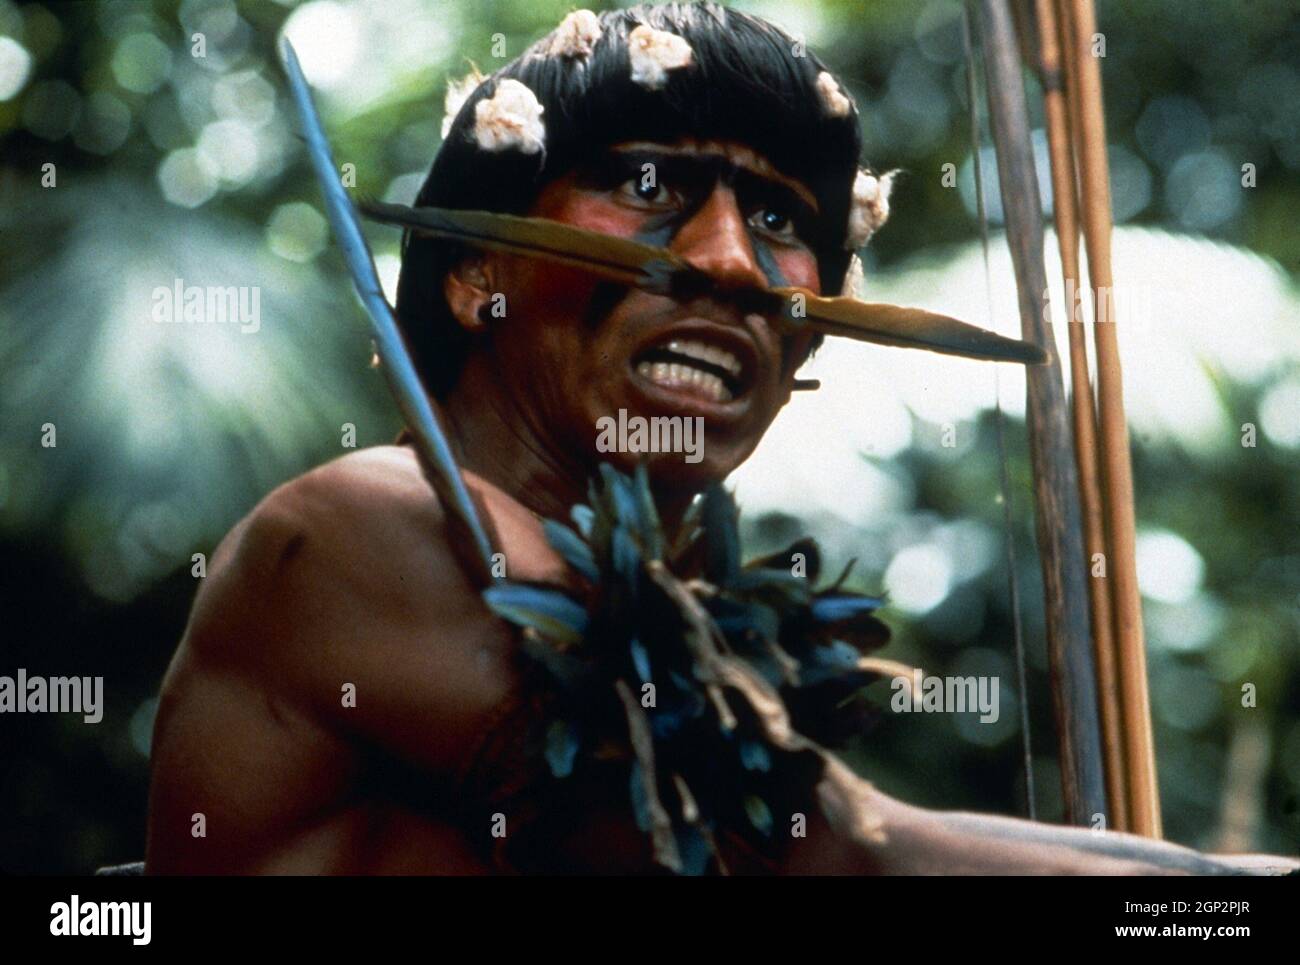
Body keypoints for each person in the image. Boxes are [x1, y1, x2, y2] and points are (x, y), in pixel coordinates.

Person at [143, 2, 1293, 874]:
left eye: (782, 219)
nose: (731, 262)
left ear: (799, 357)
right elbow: (836, 848)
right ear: (478, 273)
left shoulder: (665, 619)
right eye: (650, 185)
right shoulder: (359, 529)